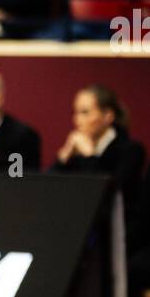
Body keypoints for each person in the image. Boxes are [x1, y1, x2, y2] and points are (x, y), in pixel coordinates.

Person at [51, 85, 145, 218]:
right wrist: (63, 158)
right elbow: (49, 191)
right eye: (75, 112)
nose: (77, 120)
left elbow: (108, 196)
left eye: (85, 112)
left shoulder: (131, 150)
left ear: (107, 116)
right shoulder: (76, 152)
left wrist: (90, 156)